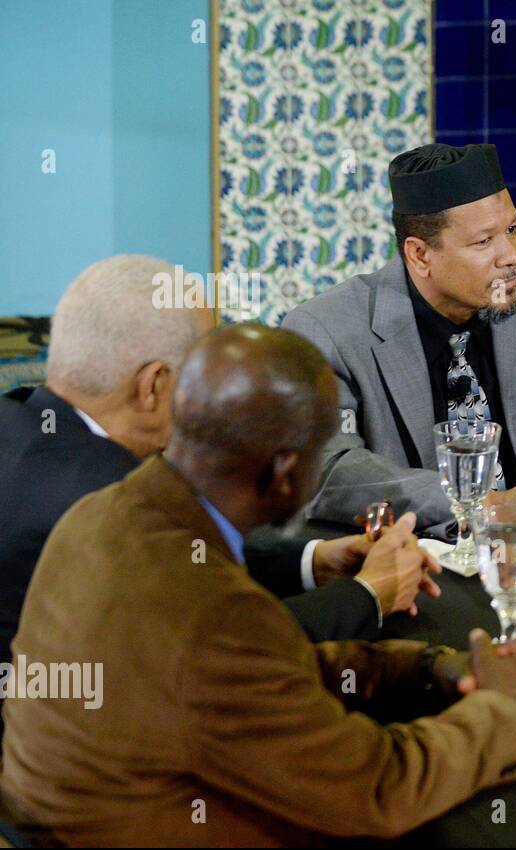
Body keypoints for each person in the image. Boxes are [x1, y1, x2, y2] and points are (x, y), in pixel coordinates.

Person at [1, 324, 516, 846]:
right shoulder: (207, 608)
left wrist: (430, 669)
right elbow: (378, 791)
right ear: (285, 471)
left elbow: (264, 675)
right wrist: (506, 709)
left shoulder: (103, 513)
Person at [0, 257, 419, 689]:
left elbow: (195, 562)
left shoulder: (18, 417)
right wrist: (370, 594)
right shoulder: (112, 502)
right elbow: (236, 650)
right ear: (154, 386)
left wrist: (313, 562)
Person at [282, 142, 516, 542]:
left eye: (512, 229)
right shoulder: (327, 330)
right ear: (420, 255)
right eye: (483, 242)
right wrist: (490, 507)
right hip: (419, 557)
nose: (511, 254)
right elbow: (328, 469)